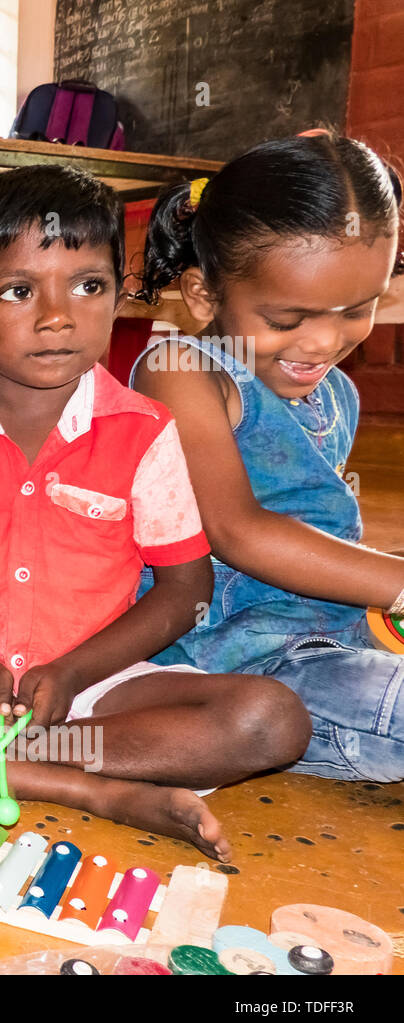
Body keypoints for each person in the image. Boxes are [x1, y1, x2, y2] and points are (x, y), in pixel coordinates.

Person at [0, 165, 312, 861]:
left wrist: (71, 674)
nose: (58, 315)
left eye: (88, 285)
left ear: (115, 296)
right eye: (18, 290)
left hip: (102, 686)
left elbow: (187, 588)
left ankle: (24, 757)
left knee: (270, 720)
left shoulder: (144, 430)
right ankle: (90, 788)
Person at [132, 132, 404, 783]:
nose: (325, 340)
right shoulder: (181, 371)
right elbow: (238, 531)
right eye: (287, 318)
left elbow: (317, 531)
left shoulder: (335, 391)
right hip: (231, 660)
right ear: (202, 295)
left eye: (357, 310)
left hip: (333, 639)